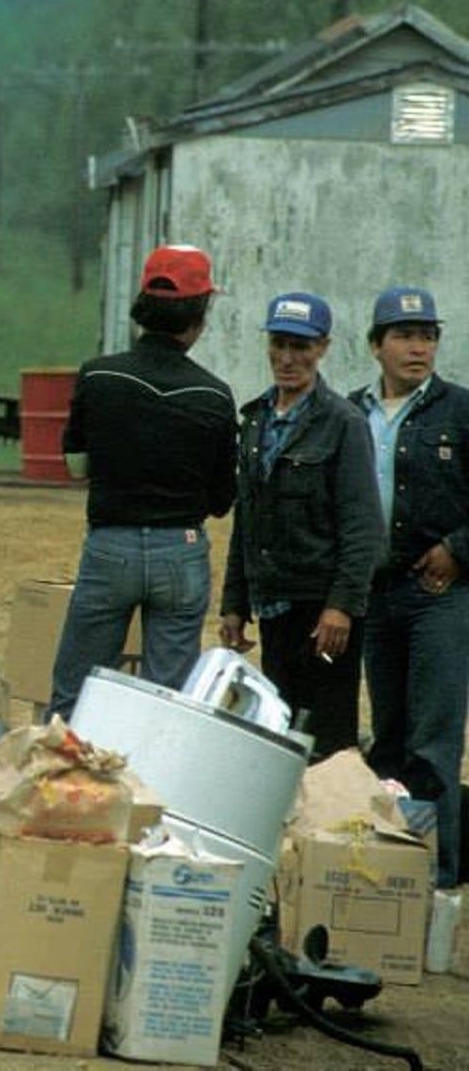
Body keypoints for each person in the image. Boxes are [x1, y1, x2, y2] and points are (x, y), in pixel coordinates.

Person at [47, 244, 236, 721]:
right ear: (199, 315)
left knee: (77, 692)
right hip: (181, 549)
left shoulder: (99, 375)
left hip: (111, 545)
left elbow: (74, 465)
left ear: (142, 305)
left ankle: (64, 786)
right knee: (166, 705)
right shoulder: (214, 395)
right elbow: (221, 500)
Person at [218, 291, 381, 760]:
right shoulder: (254, 421)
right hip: (272, 609)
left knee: (327, 740)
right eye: (280, 344)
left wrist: (342, 607)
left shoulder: (343, 423)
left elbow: (362, 526)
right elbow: (246, 519)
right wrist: (235, 603)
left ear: (323, 348)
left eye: (301, 347)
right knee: (278, 736)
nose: (288, 358)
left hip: (323, 616)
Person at [348, 286, 469, 888]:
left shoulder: (460, 411)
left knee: (434, 738)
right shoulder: (351, 413)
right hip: (377, 592)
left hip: (440, 595)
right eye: (404, 334)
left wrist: (457, 549)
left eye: (427, 335)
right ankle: (390, 874)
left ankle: (439, 880)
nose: (418, 347)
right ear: (376, 345)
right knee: (388, 736)